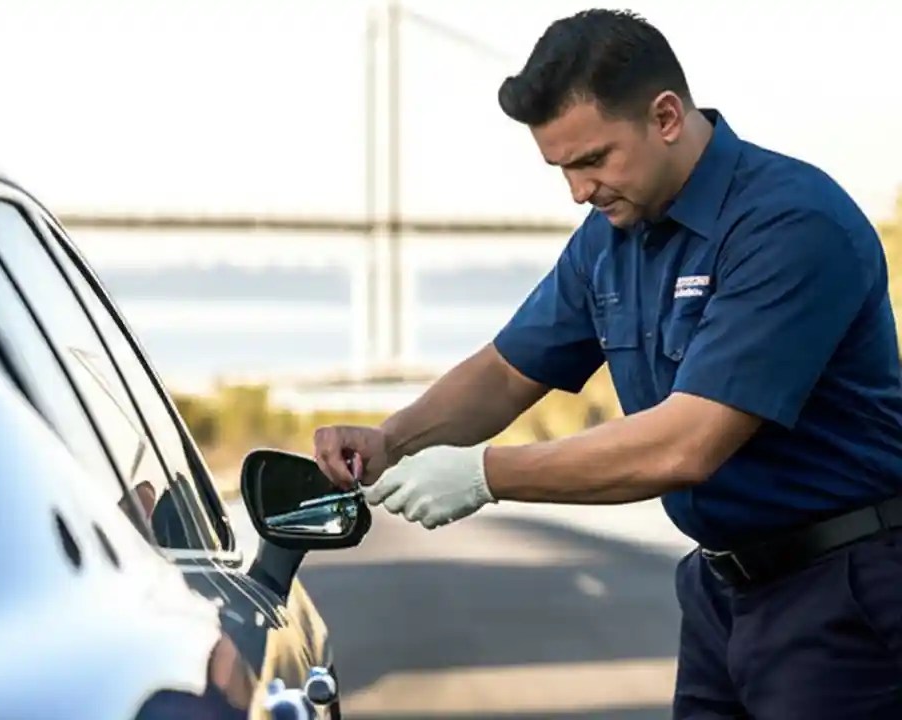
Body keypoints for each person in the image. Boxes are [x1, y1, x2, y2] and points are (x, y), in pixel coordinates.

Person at [312, 8, 902, 718]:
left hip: (844, 593)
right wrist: (392, 438)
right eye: (561, 167)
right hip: (722, 592)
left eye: (593, 160)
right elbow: (507, 370)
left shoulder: (789, 223)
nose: (578, 191)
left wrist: (484, 475)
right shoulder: (611, 236)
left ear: (665, 117)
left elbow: (686, 443)